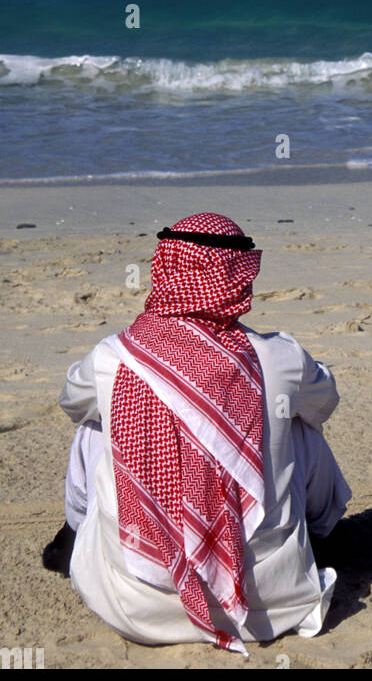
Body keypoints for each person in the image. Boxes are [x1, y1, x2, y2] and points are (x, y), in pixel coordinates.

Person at [44, 212, 350, 653]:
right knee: (299, 426)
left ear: (165, 270)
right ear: (239, 276)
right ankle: (323, 532)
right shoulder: (281, 358)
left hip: (137, 607)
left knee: (95, 422)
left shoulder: (112, 357)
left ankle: (74, 533)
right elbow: (326, 403)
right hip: (272, 601)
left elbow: (71, 401)